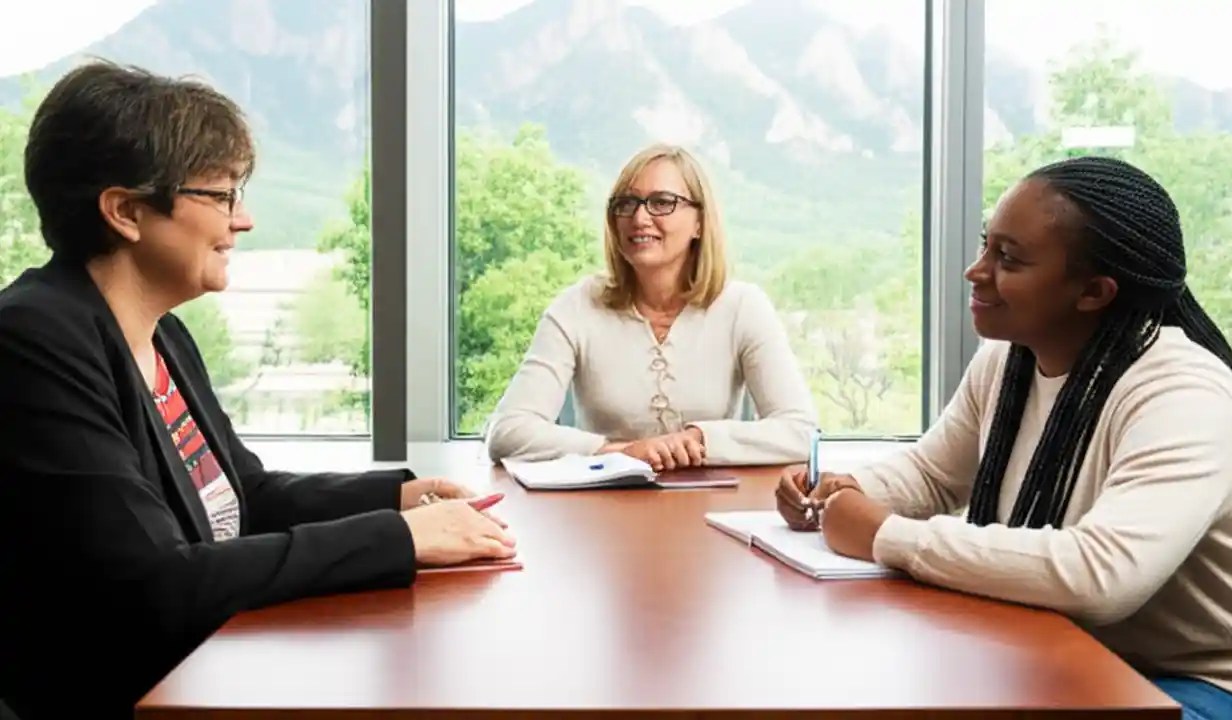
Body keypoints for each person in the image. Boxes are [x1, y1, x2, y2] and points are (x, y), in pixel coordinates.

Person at [0, 62, 516, 720]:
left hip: (201, 672)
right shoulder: (33, 341)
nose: (242, 220)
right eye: (220, 196)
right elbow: (152, 584)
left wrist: (399, 494)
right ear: (125, 210)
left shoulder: (164, 337)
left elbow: (247, 497)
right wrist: (401, 538)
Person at [778, 156, 1232, 719]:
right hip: (1079, 657)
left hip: (1220, 686)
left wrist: (884, 535)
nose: (976, 271)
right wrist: (839, 492)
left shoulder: (1184, 394)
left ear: (1093, 291)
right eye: (985, 245)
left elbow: (1101, 573)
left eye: (1008, 259)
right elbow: (933, 474)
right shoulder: (1007, 361)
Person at [483, 143, 817, 469]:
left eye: (662, 202)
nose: (640, 217)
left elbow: (800, 431)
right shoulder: (576, 307)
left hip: (713, 508)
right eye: (626, 203)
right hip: (600, 507)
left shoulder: (744, 306)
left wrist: (699, 440)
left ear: (700, 222)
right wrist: (617, 452)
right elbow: (507, 431)